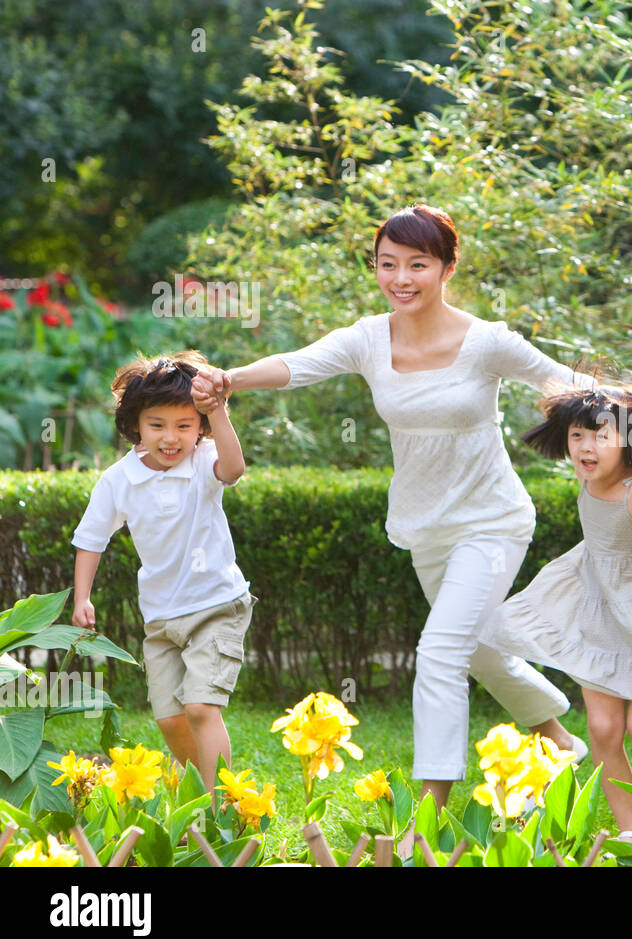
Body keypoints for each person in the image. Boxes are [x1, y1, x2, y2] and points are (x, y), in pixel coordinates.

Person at [190, 204, 587, 811]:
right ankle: (558, 740)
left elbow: (566, 384)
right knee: (475, 646)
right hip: (425, 526)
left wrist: (628, 423)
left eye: (417, 265)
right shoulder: (369, 338)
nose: (400, 278)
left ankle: (428, 810)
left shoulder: (488, 343)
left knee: (439, 653)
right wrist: (229, 378)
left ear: (449, 267)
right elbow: (299, 364)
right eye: (387, 264)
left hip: (493, 521)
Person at [477, 375, 632, 842]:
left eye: (600, 436)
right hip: (597, 611)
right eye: (577, 436)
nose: (586, 447)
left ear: (627, 440)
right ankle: (631, 832)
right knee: (604, 729)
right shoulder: (586, 475)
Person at [72, 350, 253, 792]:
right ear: (136, 425)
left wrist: (219, 412)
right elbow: (91, 538)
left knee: (200, 709)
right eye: (158, 425)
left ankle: (220, 809)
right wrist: (82, 597)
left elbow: (234, 468)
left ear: (200, 428)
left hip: (216, 606)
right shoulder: (119, 480)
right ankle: (203, 792)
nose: (171, 438)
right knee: (171, 720)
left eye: (185, 426)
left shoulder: (203, 461)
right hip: (161, 617)